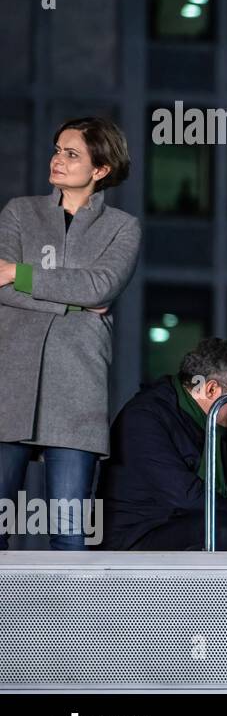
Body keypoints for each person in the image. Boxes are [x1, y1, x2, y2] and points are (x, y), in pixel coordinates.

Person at [0, 117, 140, 550]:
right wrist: (75, 302)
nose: (57, 160)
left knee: (68, 534)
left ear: (100, 170)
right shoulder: (19, 212)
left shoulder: (122, 226)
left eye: (71, 154)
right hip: (10, 384)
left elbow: (100, 286)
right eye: (57, 150)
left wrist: (21, 274)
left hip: (76, 389)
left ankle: (70, 619)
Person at [98, 338, 227, 551]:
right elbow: (184, 495)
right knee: (221, 529)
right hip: (141, 533)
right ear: (211, 389)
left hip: (208, 522)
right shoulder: (145, 417)